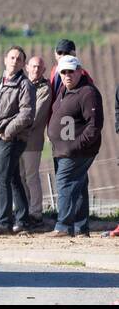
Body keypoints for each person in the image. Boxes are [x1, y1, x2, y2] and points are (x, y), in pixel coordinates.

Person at [46, 56, 105, 238]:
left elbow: (94, 126)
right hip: (64, 149)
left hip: (78, 150)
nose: (67, 75)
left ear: (80, 71)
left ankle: (63, 226)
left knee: (64, 182)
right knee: (78, 186)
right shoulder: (65, 90)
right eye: (63, 72)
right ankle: (81, 228)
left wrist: (74, 146)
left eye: (71, 71)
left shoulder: (88, 93)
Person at [0, 46, 34, 235]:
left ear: (23, 63)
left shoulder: (24, 84)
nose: (15, 61)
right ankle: (22, 220)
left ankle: (4, 223)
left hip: (11, 138)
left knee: (0, 178)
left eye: (19, 59)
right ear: (5, 59)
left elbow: (27, 114)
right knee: (13, 178)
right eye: (12, 57)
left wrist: (7, 132)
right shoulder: (1, 82)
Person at [19, 55, 53, 230]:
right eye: (33, 67)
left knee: (31, 176)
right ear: (26, 67)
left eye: (39, 67)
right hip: (17, 138)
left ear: (44, 70)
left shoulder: (44, 89)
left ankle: (36, 213)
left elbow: (35, 115)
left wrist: (14, 124)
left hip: (32, 141)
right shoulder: (23, 84)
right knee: (20, 177)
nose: (36, 70)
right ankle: (23, 210)